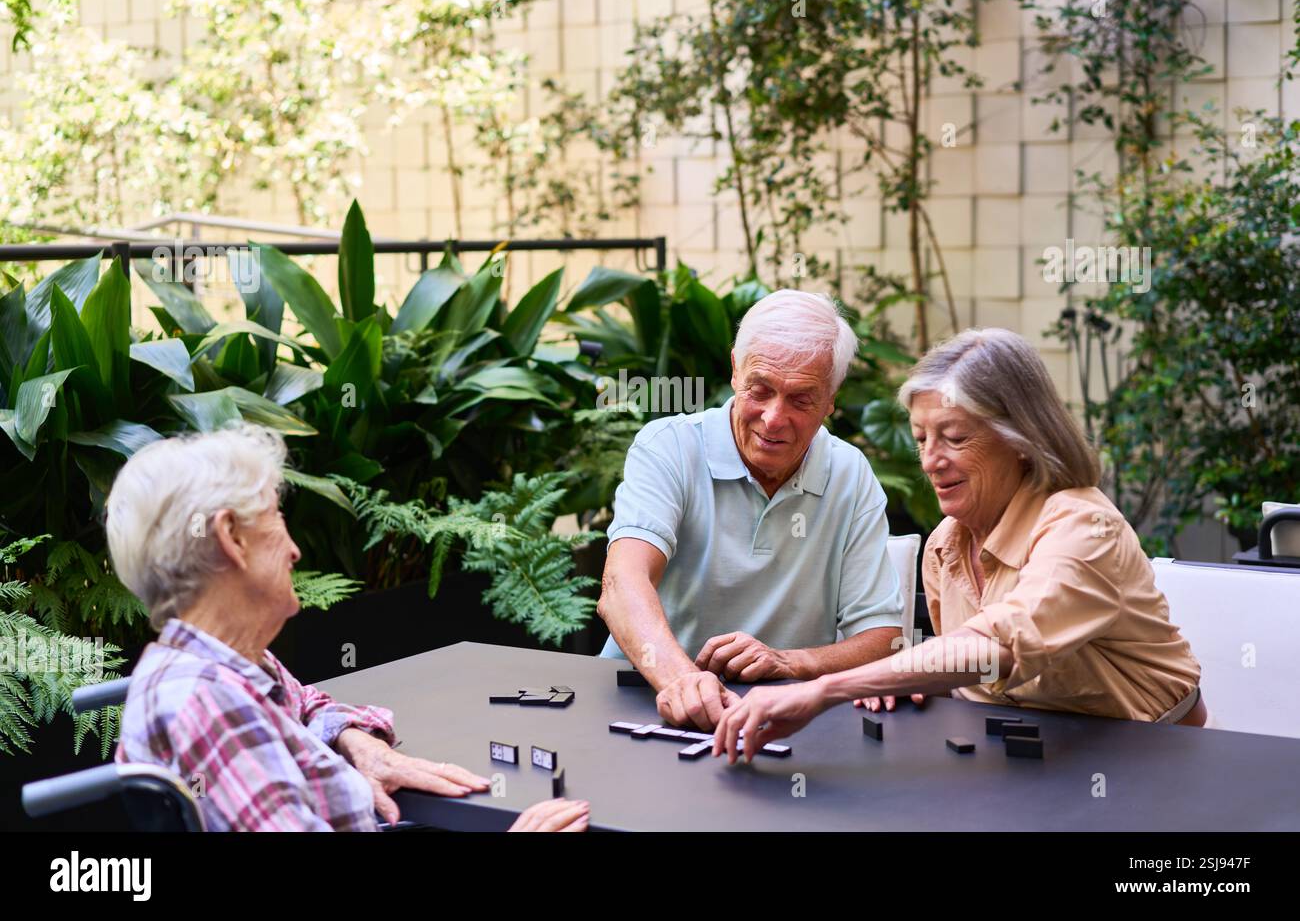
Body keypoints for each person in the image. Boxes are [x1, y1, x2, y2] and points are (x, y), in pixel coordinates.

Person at [712, 328, 1207, 763]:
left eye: (953, 438)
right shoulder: (947, 545)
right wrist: (903, 685)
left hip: (1147, 761)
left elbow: (993, 647)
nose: (931, 461)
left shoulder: (1085, 528)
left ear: (1020, 438)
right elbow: (964, 674)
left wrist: (823, 692)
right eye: (921, 438)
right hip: (1022, 760)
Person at [106, 424, 588, 832]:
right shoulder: (209, 709)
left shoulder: (226, 661)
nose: (295, 550)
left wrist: (351, 740)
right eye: (276, 517)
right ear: (232, 537)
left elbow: (305, 703)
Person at [597, 289, 903, 731]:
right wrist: (683, 681)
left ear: (831, 400)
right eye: (761, 390)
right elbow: (622, 582)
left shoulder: (849, 473)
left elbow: (881, 640)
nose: (774, 419)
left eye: (801, 400)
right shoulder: (670, 446)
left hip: (778, 720)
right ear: (735, 369)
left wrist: (789, 662)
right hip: (641, 697)